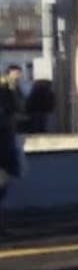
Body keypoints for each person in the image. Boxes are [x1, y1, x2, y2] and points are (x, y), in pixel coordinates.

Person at [0, 65, 24, 228]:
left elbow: (19, 107)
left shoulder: (11, 88)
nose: (18, 76)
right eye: (16, 73)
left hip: (6, 137)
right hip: (4, 139)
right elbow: (17, 107)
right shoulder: (6, 88)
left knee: (3, 185)